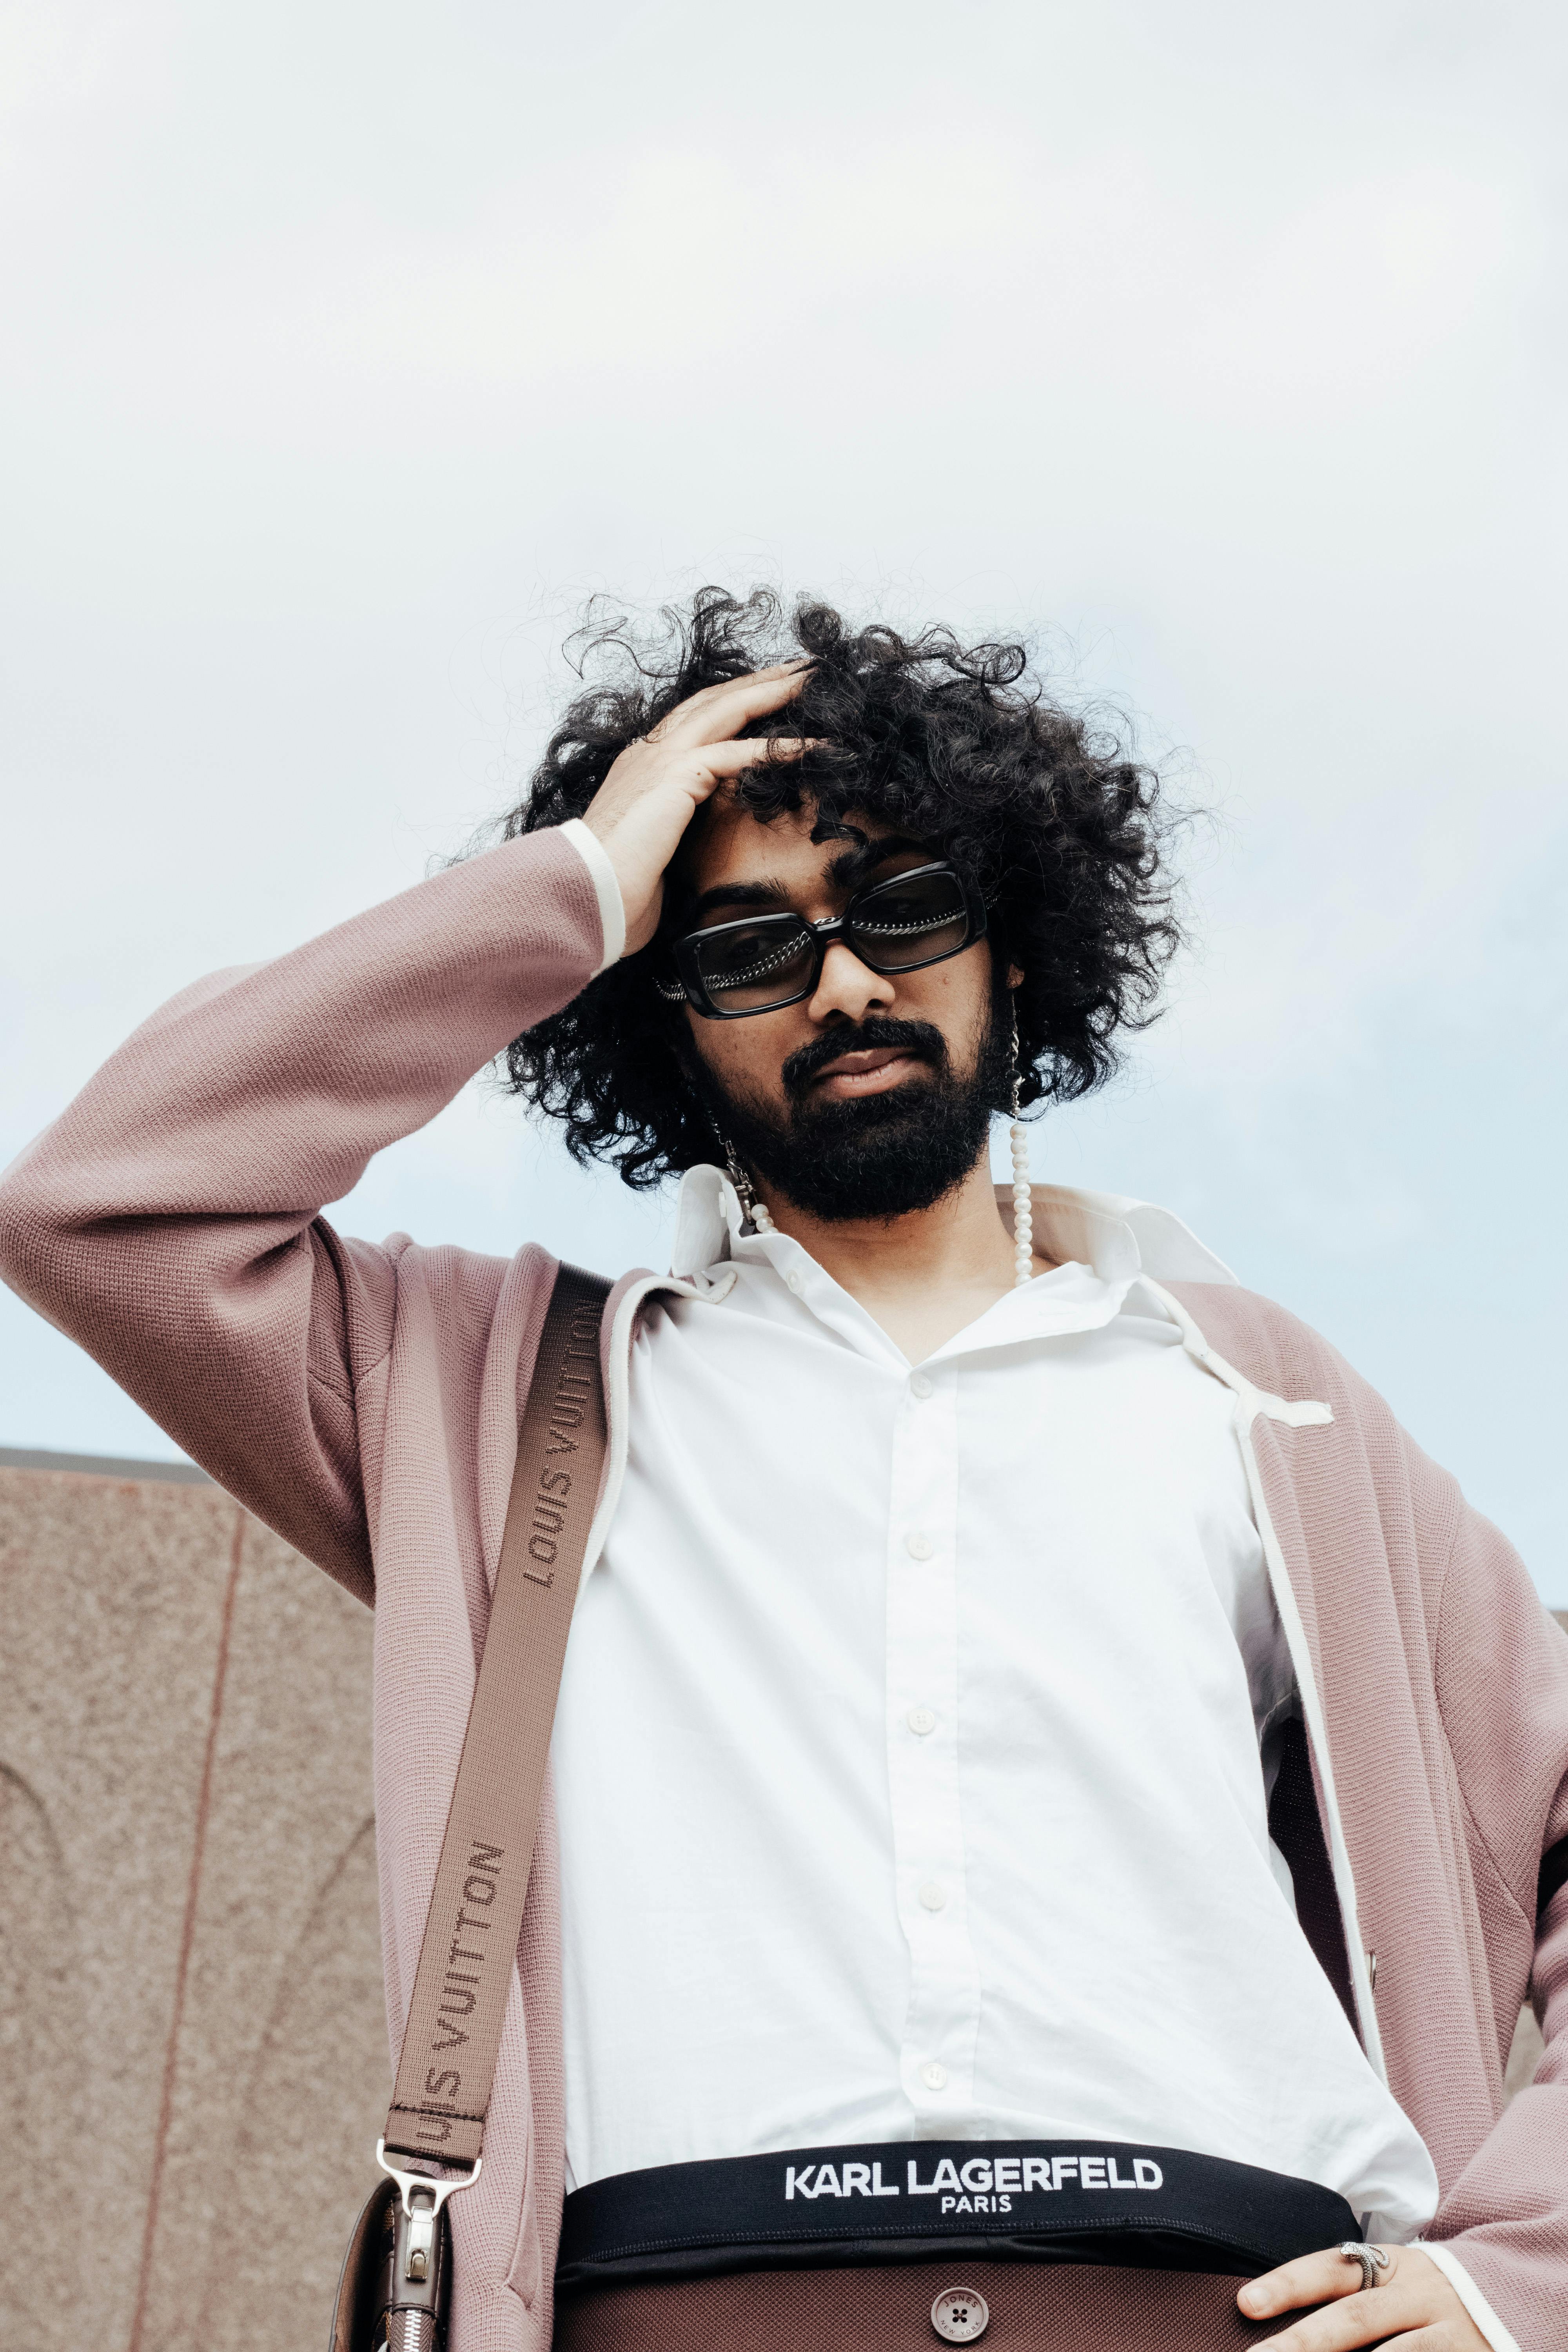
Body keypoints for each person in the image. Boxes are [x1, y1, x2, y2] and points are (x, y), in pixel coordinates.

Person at [1, 590, 1562, 2352]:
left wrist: (1521, 2278)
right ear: (660, 1019)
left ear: (1016, 947)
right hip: (678, 2299)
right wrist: (577, 891)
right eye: (744, 948)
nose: (844, 982)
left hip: (1239, 2299)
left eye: (905, 906)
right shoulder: (493, 1392)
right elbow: (100, 1206)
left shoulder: (1263, 1404)